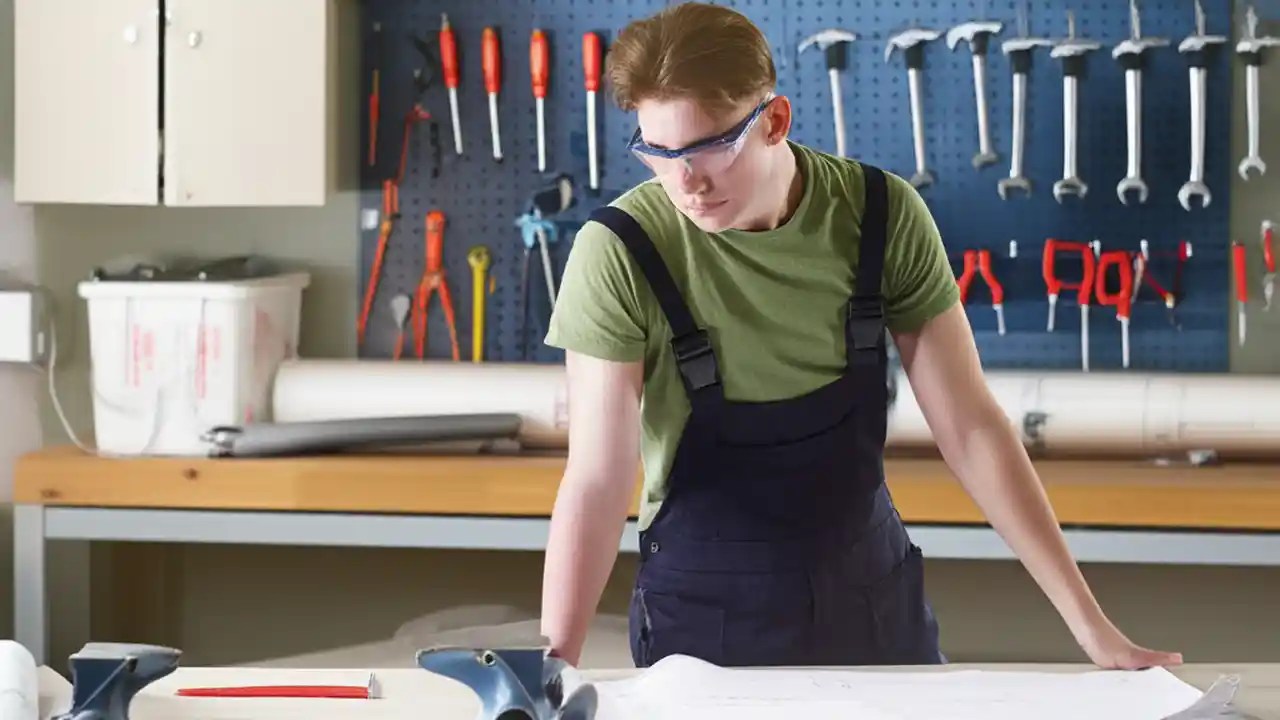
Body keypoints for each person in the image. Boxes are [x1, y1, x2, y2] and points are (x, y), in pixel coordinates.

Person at [539, 2, 1182, 670]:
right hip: (705, 627)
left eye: (708, 148)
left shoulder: (882, 215)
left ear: (775, 121)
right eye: (659, 153)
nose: (686, 183)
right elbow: (598, 477)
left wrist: (1092, 629)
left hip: (875, 608)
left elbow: (971, 429)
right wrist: (552, 673)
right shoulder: (619, 251)